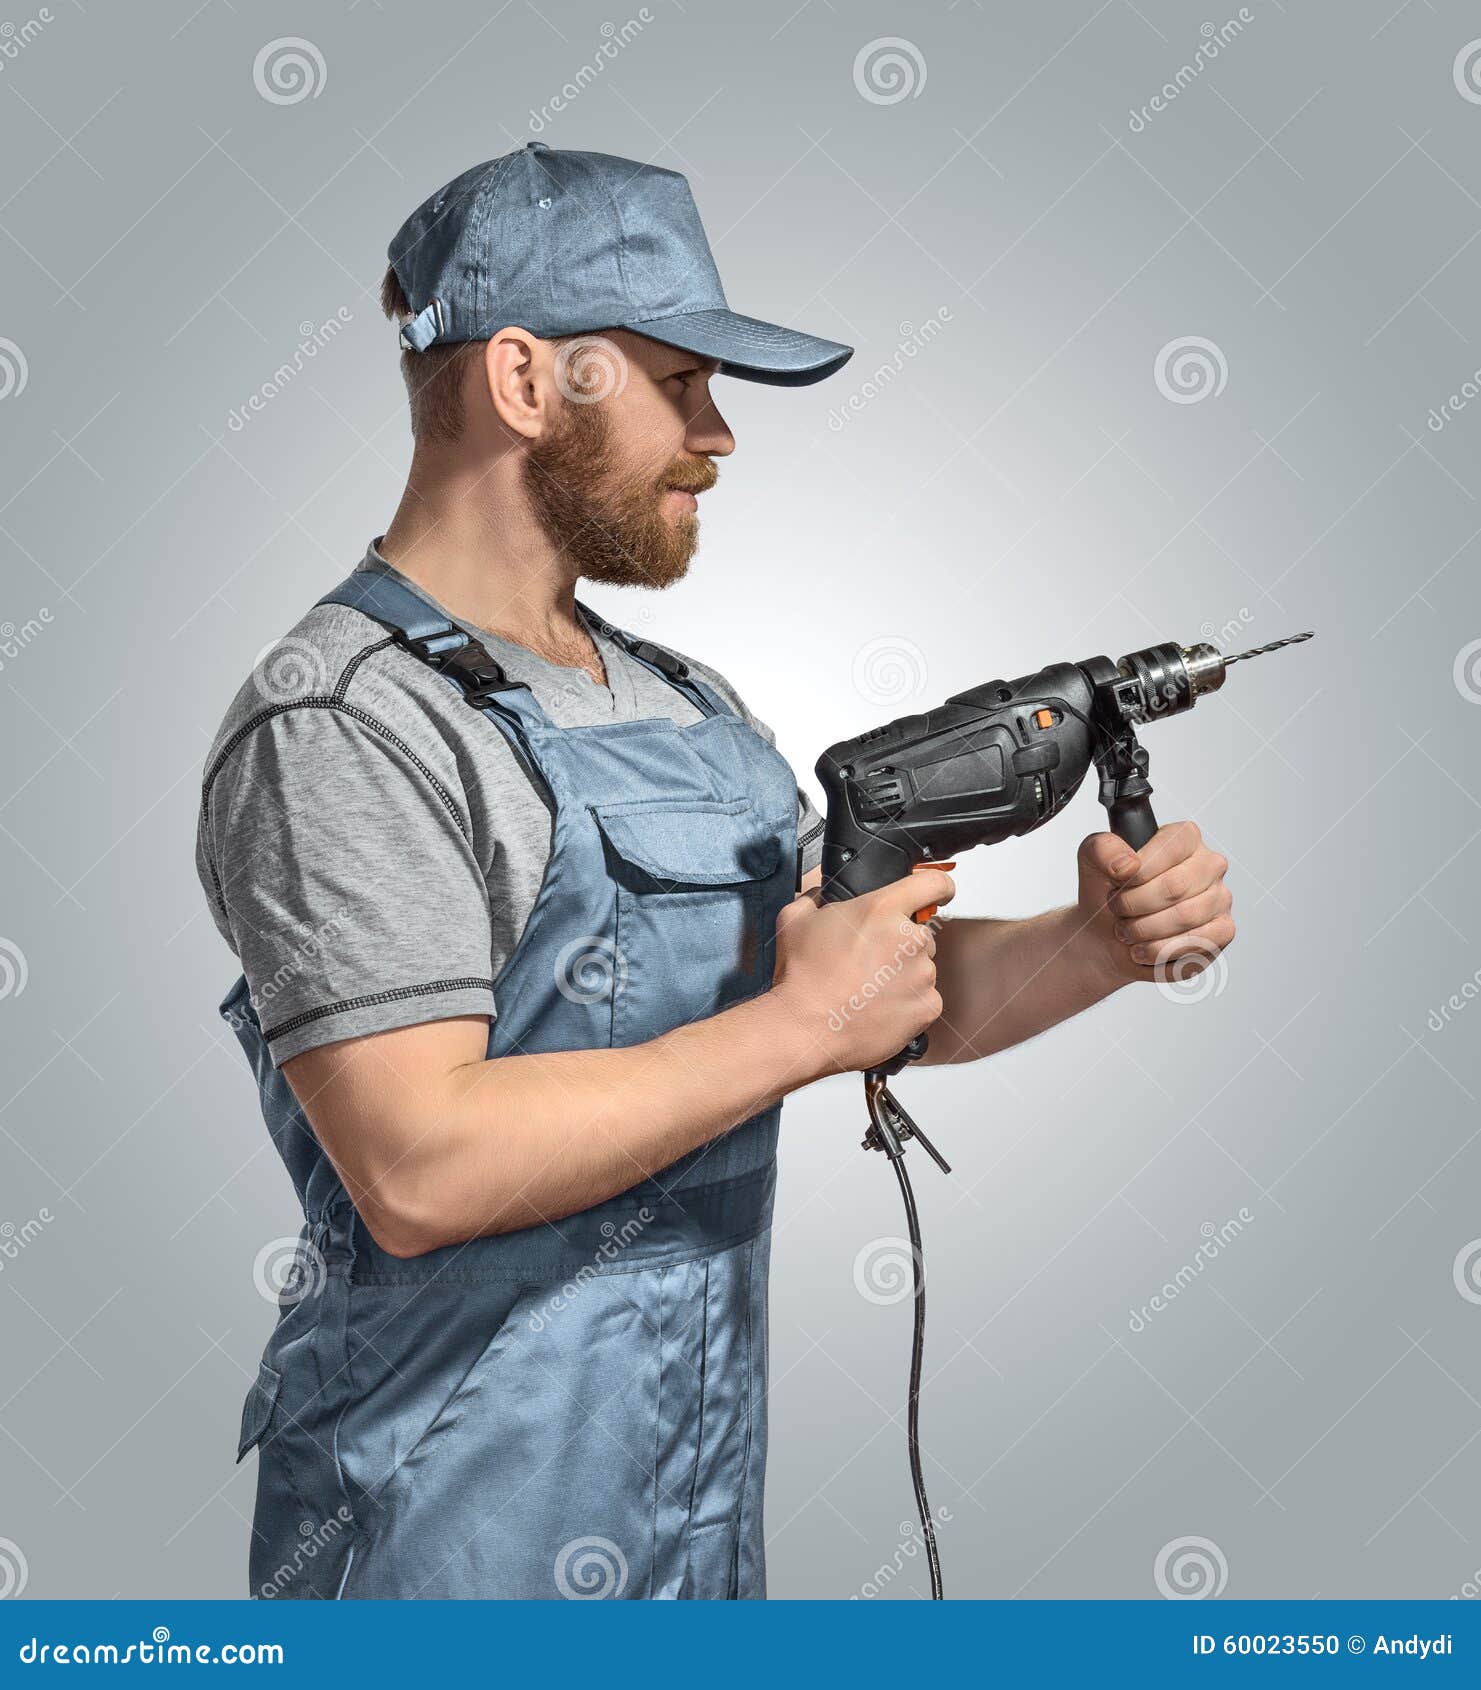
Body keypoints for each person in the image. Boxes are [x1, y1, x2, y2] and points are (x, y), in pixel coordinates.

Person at [197, 143, 1234, 1601]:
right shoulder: (348, 718)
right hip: (439, 1549)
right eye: (679, 382)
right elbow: (418, 1165)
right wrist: (797, 1030)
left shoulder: (689, 706)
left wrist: (1094, 941)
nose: (719, 433)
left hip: (687, 1526)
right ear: (522, 381)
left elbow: (873, 990)